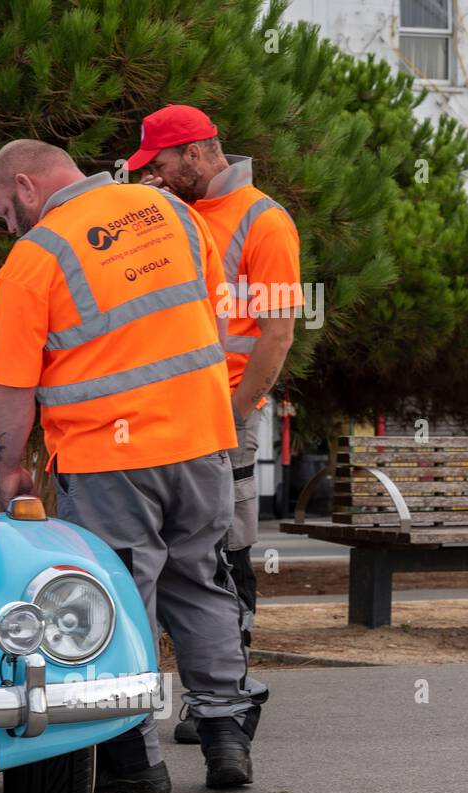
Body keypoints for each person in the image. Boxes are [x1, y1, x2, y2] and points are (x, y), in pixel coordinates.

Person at [0, 139, 268, 793]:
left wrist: (8, 471)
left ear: (27, 187)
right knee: (201, 582)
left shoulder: (37, 256)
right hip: (201, 442)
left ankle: (135, 761)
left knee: (120, 598)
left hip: (108, 458)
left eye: (5, 211)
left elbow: (10, 385)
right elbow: (210, 313)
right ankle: (227, 737)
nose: (8, 226)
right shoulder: (171, 212)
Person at [128, 105, 300, 743]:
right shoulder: (179, 214)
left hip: (226, 412)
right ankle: (215, 704)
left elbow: (277, 333)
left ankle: (227, 708)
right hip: (170, 416)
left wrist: (235, 413)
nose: (159, 175)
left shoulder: (263, 220)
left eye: (163, 163)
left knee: (227, 551)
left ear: (196, 154)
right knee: (187, 555)